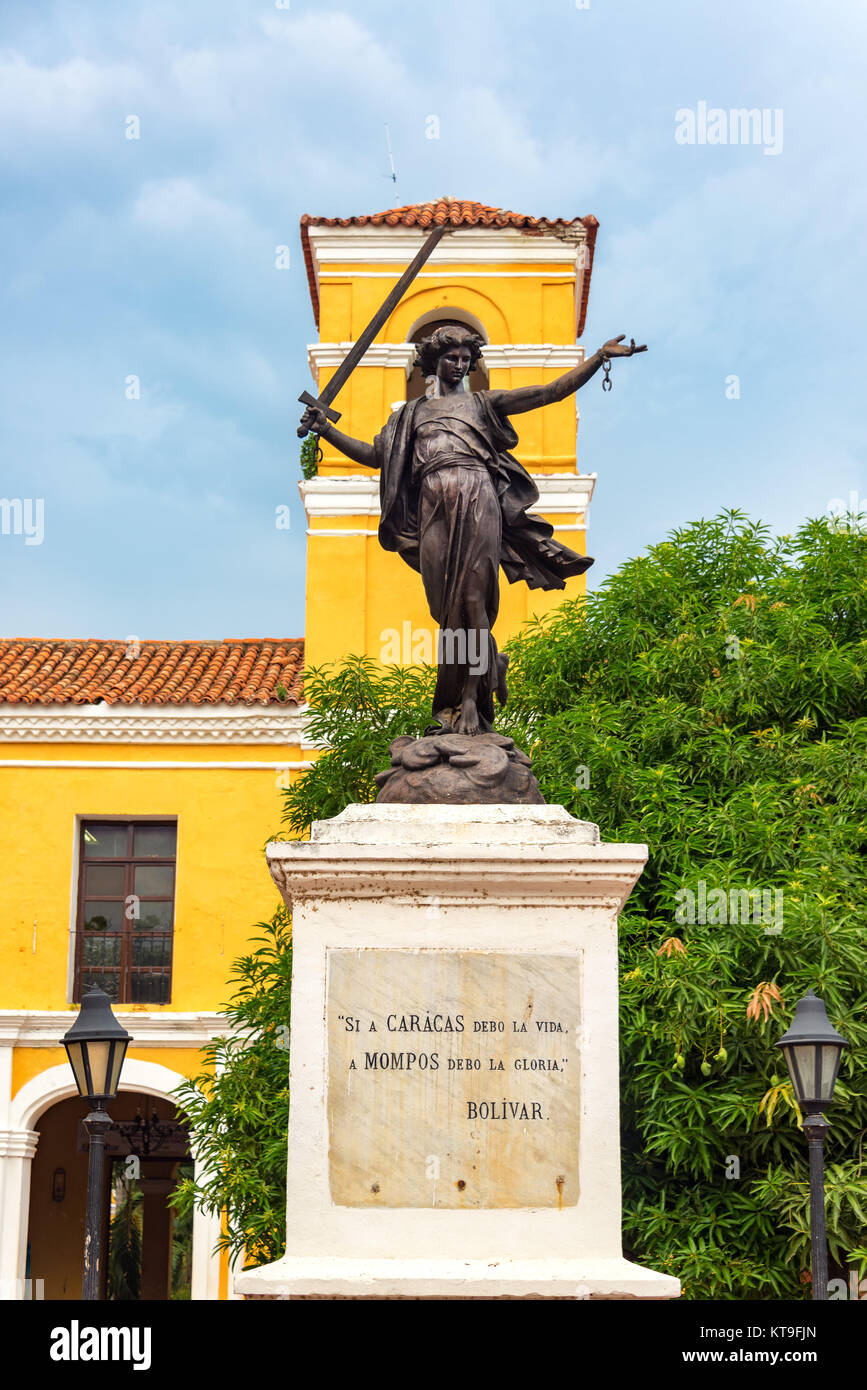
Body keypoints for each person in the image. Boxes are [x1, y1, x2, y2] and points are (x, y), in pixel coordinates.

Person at [300, 325, 646, 735]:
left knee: (474, 602)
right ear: (434, 363)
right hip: (433, 504)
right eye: (452, 358)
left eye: (467, 358)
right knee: (446, 613)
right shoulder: (410, 415)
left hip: (478, 495)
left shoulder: (484, 404)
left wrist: (598, 359)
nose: (460, 365)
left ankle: (467, 703)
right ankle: (482, 669)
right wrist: (326, 430)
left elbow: (548, 392)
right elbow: (376, 456)